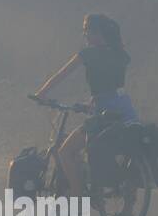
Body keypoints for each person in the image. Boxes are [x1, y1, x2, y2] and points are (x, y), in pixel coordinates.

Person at [32, 14, 138, 198]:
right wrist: (92, 102)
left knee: (65, 151)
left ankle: (76, 197)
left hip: (105, 117)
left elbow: (61, 75)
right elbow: (110, 86)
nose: (85, 36)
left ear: (96, 33)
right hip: (126, 112)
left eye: (87, 31)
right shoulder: (120, 54)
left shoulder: (88, 53)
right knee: (124, 152)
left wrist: (41, 94)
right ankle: (127, 213)